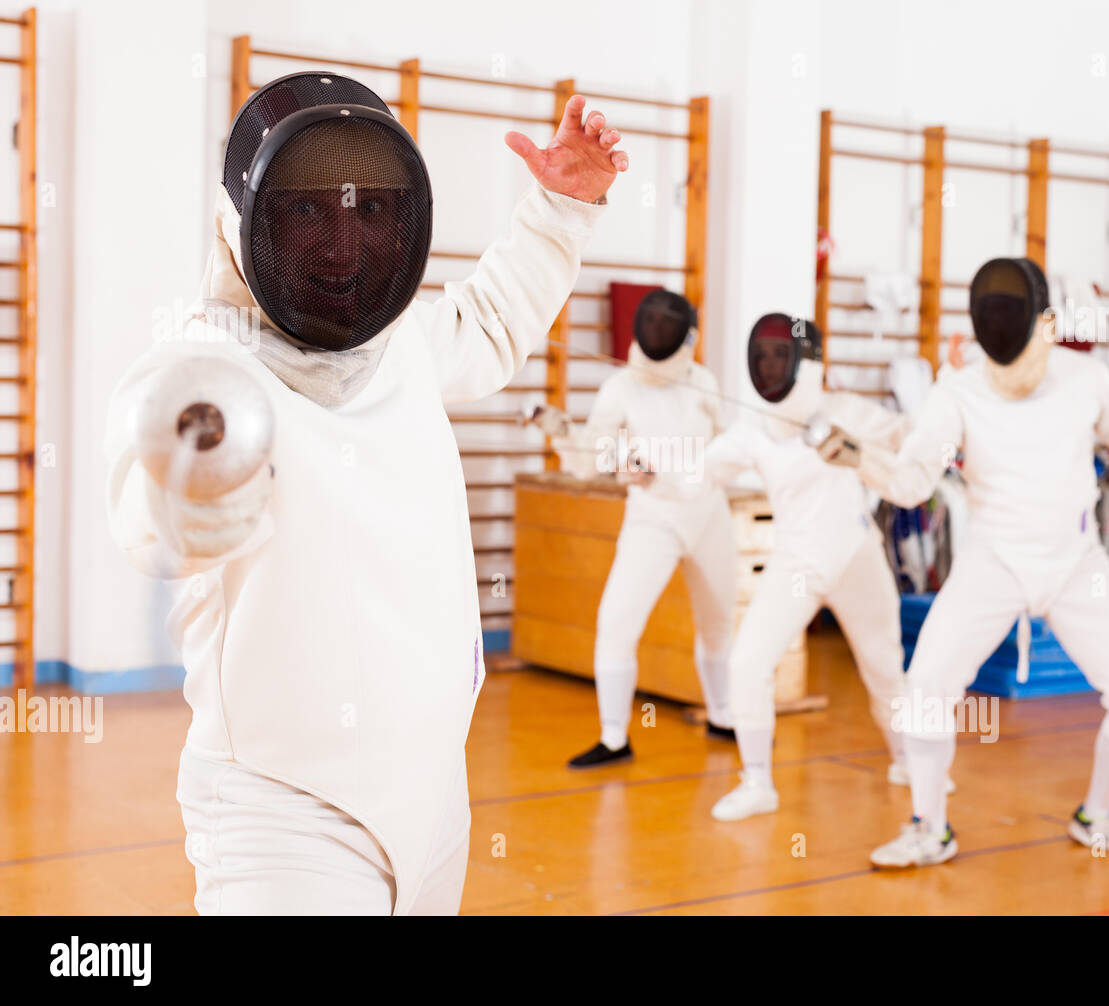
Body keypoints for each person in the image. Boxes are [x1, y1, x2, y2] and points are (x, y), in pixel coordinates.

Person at [104, 72, 628, 914]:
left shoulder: (403, 341)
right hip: (285, 817)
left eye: (369, 210)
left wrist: (561, 208)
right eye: (308, 211)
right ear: (248, 223)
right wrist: (199, 478)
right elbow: (148, 514)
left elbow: (491, 321)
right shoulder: (205, 368)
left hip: (435, 796)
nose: (342, 245)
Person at [858, 257, 1109, 868]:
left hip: (1075, 561)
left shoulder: (1086, 378)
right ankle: (930, 827)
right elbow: (909, 482)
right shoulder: (957, 389)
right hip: (994, 558)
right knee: (926, 687)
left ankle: (1100, 815)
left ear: (1046, 321)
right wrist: (860, 457)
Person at [695, 314, 936, 822]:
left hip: (856, 557)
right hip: (796, 565)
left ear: (806, 365)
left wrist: (923, 408)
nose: (768, 366)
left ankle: (909, 762)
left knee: (884, 669)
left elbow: (911, 438)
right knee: (747, 664)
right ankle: (757, 781)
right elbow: (700, 472)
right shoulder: (754, 428)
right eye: (761, 356)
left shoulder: (846, 410)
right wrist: (650, 468)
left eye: (779, 357)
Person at [531, 290, 736, 766]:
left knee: (718, 623)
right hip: (653, 519)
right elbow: (588, 462)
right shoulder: (621, 387)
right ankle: (614, 738)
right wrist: (583, 443)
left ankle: (723, 717)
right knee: (616, 623)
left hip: (709, 514)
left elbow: (725, 451)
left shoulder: (702, 382)